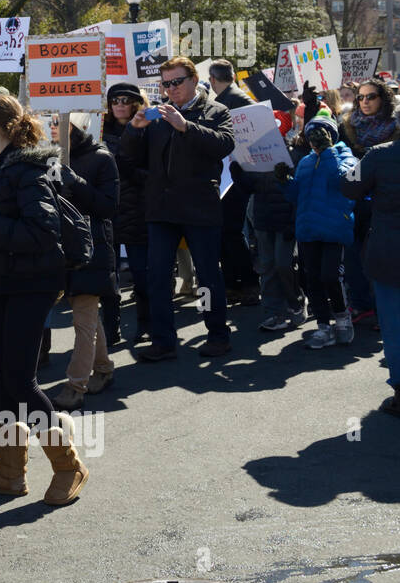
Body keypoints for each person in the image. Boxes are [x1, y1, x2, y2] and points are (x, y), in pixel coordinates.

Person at [0, 93, 89, 506]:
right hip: (6, 282)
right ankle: (10, 472)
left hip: (31, 284)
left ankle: (69, 466)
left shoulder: (27, 169)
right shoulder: (2, 166)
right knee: (3, 375)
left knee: (20, 381)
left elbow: (40, 234)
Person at [121, 57, 236, 361]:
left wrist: (186, 127)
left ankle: (217, 334)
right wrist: (134, 130)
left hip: (200, 207)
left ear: (194, 80)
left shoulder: (215, 110)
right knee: (157, 276)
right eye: (166, 83)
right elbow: (129, 158)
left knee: (208, 276)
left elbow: (225, 144)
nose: (171, 89)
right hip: (162, 208)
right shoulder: (156, 115)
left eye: (177, 82)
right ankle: (163, 341)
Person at [340, 95, 400, 415]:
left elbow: (349, 187)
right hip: (390, 250)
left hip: (390, 253)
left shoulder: (380, 155)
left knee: (394, 323)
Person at [49, 115, 119, 411]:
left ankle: (75, 384)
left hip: (92, 248)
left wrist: (74, 181)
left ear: (76, 126)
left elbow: (108, 206)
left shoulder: (102, 159)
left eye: (58, 122)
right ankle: (102, 368)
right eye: (50, 122)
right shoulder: (49, 156)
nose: (53, 127)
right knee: (87, 317)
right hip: (62, 248)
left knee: (83, 319)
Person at [278, 114, 357, 348]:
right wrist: (284, 181)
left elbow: (343, 181)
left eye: (319, 135)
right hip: (308, 229)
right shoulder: (305, 162)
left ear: (331, 136)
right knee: (312, 279)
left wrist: (329, 151)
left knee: (331, 276)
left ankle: (343, 318)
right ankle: (323, 325)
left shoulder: (346, 156)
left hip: (334, 229)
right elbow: (295, 196)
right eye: (311, 135)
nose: (314, 140)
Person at [339, 77, 400, 327]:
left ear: (383, 99)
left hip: (386, 202)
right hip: (356, 201)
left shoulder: (397, 127)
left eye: (371, 96)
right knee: (353, 255)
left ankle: (382, 309)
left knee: (382, 258)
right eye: (361, 97)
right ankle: (363, 304)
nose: (365, 102)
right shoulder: (347, 126)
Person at [240, 112, 306, 332]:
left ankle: (295, 301)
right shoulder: (254, 154)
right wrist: (238, 173)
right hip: (264, 219)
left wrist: (292, 222)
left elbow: (298, 191)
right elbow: (249, 187)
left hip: (286, 221)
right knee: (267, 266)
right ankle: (274, 313)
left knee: (284, 264)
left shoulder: (294, 155)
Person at [208, 60, 261, 306]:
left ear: (212, 80)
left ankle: (246, 283)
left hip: (236, 177)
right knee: (225, 232)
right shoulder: (236, 98)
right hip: (233, 174)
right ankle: (234, 283)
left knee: (230, 232)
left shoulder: (229, 102)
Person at [102, 83, 150, 344]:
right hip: (108, 210)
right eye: (114, 100)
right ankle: (110, 330)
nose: (119, 104)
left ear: (136, 103)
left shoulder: (148, 129)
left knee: (143, 276)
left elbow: (155, 169)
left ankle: (146, 324)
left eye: (125, 99)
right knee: (108, 278)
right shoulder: (97, 131)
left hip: (139, 210)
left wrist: (127, 170)